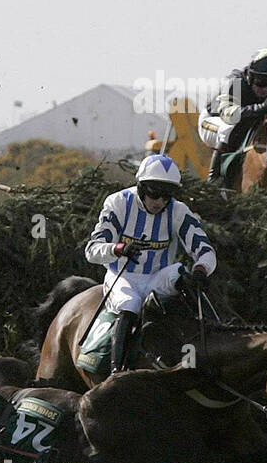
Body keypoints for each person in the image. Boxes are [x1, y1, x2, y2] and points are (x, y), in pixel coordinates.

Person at [84, 154, 217, 373]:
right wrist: (118, 249)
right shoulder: (117, 203)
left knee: (183, 275)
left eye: (166, 196)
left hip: (157, 277)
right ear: (141, 187)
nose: (159, 202)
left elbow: (205, 250)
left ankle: (207, 347)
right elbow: (92, 250)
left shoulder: (178, 210)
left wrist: (201, 270)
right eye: (154, 194)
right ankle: (117, 371)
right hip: (122, 277)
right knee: (131, 304)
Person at [199, 48, 267, 182]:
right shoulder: (234, 83)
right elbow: (229, 115)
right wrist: (261, 107)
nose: (265, 89)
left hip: (247, 125)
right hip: (212, 122)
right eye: (261, 83)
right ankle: (213, 180)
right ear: (250, 75)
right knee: (227, 128)